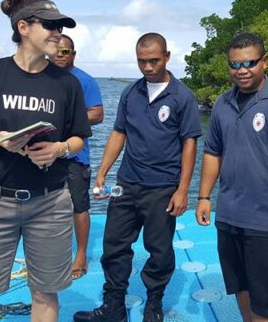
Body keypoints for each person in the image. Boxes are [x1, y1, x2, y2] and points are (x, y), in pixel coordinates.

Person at [0, 0, 91, 322]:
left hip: (50, 202)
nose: (58, 33)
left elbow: (79, 139)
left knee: (45, 294)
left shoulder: (66, 84)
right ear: (23, 28)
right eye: (50, 25)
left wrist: (58, 148)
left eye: (61, 27)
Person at [74, 33, 202, 322]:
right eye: (142, 61)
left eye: (154, 60)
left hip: (163, 187)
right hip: (126, 183)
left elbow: (189, 144)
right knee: (114, 245)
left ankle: (153, 305)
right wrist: (103, 172)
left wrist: (183, 190)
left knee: (159, 250)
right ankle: (113, 307)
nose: (147, 67)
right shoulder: (131, 93)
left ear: (167, 57)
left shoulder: (182, 96)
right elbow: (119, 133)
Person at [195, 33, 268, 322]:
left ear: (265, 61)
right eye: (234, 64)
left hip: (267, 220)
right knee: (241, 288)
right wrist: (204, 197)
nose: (242, 70)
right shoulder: (222, 103)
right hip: (230, 215)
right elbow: (212, 152)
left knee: (265, 302)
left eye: (249, 62)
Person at [53, 34, 104, 280]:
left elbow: (97, 114)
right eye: (56, 51)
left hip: (76, 155)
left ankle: (81, 255)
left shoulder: (85, 81)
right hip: (47, 154)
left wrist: (65, 119)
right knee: (43, 205)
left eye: (66, 52)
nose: (61, 56)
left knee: (79, 205)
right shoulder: (42, 78)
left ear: (74, 54)